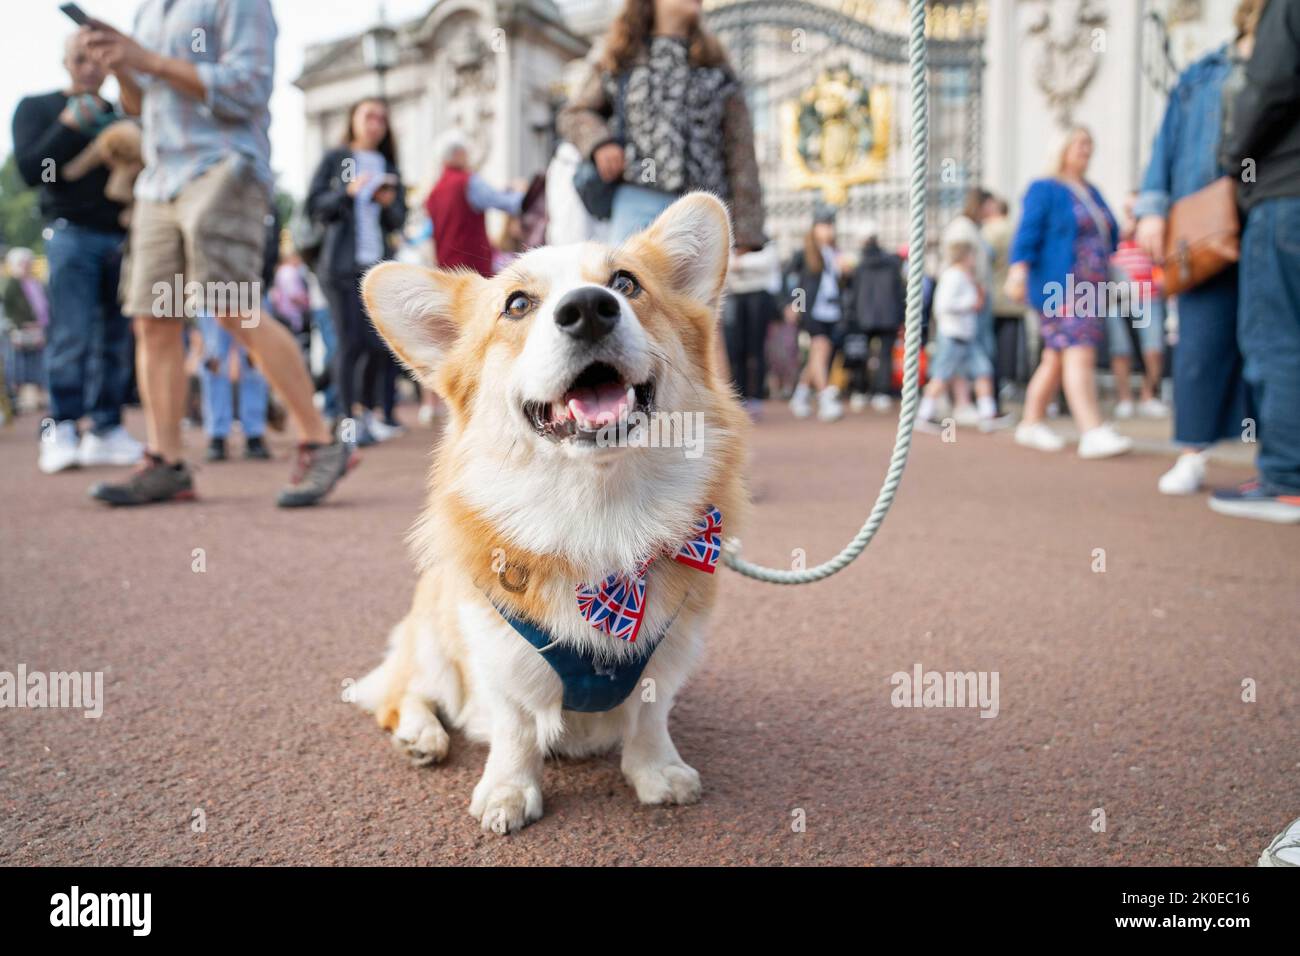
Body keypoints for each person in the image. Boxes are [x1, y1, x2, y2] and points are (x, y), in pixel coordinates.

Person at [81, 1, 353, 507]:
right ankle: (166, 462)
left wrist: (150, 59)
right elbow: (140, 106)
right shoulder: (148, 11)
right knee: (153, 319)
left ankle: (319, 440)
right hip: (159, 178)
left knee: (232, 308)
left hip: (222, 168)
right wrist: (124, 68)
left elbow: (248, 86)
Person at [1135, 1, 1261, 497]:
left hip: (1265, 220)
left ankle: (1275, 457)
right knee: (1200, 341)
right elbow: (1166, 144)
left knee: (1272, 342)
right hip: (1205, 224)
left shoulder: (1284, 66)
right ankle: (1192, 450)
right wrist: (1152, 208)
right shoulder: (1201, 73)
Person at [11, 30, 143, 475]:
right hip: (70, 233)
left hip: (121, 235)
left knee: (116, 337)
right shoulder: (38, 108)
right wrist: (68, 126)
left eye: (96, 59)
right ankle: (61, 427)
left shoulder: (123, 114)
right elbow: (32, 170)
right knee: (70, 334)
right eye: (79, 58)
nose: (89, 67)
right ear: (65, 62)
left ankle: (106, 428)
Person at [557, 0, 764, 249]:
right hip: (637, 200)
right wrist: (600, 143)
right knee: (628, 283)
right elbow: (574, 113)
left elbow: (741, 153)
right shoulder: (620, 59)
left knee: (699, 289)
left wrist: (746, 233)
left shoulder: (716, 67)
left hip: (700, 207)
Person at [1214, 0, 1300, 523]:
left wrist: (1231, 162)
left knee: (1276, 336)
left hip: (1286, 194)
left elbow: (1269, 86)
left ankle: (1287, 477)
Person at [1006, 125, 1133, 459]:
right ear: (1061, 148)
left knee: (1057, 355)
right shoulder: (1045, 188)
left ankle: (1031, 423)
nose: (1086, 149)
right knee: (1079, 349)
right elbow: (1027, 234)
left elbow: (1113, 234)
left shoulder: (1091, 190)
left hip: (1092, 285)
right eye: (1079, 143)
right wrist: (1018, 272)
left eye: (1089, 143)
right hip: (1060, 285)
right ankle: (1091, 430)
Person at [307, 97, 408, 446]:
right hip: (340, 266)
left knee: (375, 344)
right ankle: (346, 419)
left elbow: (399, 219)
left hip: (376, 266)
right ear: (353, 120)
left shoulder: (388, 164)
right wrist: (348, 194)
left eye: (381, 118)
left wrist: (387, 203)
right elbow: (315, 206)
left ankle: (364, 413)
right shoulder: (339, 159)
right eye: (368, 116)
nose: (375, 124)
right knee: (350, 343)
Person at [918, 241, 1004, 431]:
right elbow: (943, 305)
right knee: (941, 375)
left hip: (966, 334)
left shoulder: (965, 277)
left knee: (983, 371)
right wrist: (971, 302)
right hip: (953, 334)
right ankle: (924, 414)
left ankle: (987, 413)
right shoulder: (952, 276)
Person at [423, 132, 523, 277]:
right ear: (459, 153)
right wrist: (526, 193)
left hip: (446, 270)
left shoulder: (434, 192)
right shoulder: (468, 182)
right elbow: (505, 202)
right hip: (472, 269)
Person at [1107, 193, 1169, 422]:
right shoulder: (1118, 232)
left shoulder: (1152, 230)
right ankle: (1124, 399)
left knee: (1153, 348)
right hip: (1118, 297)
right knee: (1120, 349)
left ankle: (1147, 396)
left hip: (1148, 296)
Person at [785, 210, 848, 423]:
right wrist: (794, 304)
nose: (827, 230)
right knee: (819, 348)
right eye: (823, 225)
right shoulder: (804, 254)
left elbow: (838, 284)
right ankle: (825, 397)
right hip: (812, 310)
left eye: (830, 225)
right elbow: (792, 280)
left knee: (818, 355)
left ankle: (800, 395)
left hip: (832, 311)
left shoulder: (834, 252)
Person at [197, 311, 268, 461]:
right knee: (213, 359)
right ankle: (217, 435)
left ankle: (254, 433)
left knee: (252, 359)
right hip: (208, 293)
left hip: (248, 293)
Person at [850, 221, 906, 412]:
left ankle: (860, 390)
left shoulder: (860, 265)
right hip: (888, 314)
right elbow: (900, 291)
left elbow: (854, 293)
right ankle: (882, 392)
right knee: (884, 355)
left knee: (861, 353)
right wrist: (900, 315)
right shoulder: (891, 262)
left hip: (864, 315)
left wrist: (851, 315)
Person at [724, 243, 781, 419]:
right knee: (736, 350)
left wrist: (740, 263)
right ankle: (739, 397)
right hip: (734, 295)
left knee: (756, 350)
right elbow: (725, 263)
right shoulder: (730, 240)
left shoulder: (766, 244)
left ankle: (756, 397)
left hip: (759, 298)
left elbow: (767, 262)